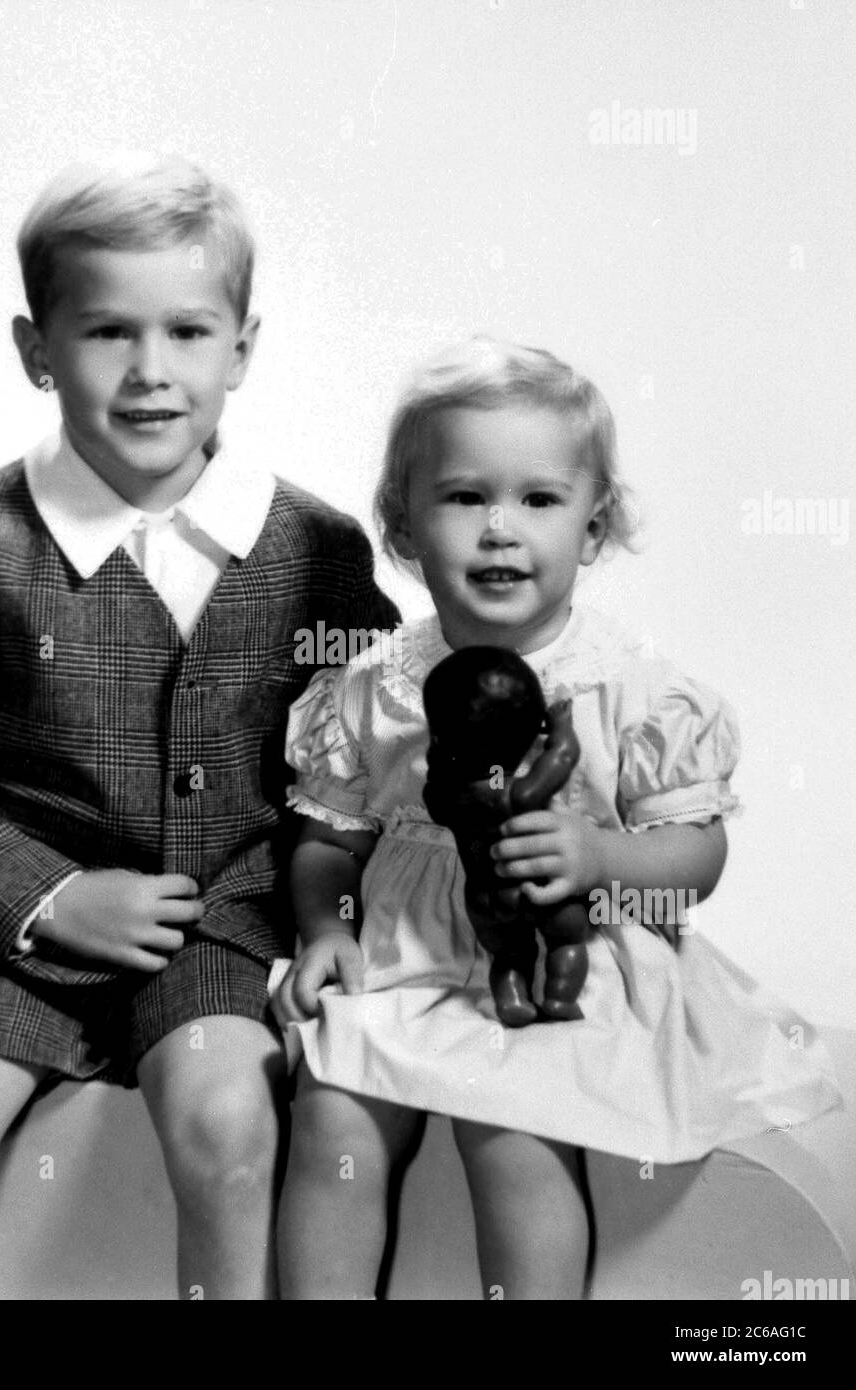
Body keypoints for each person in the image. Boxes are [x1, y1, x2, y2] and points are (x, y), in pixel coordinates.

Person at [0, 151, 398, 1301]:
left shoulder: (320, 549)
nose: (151, 372)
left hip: (222, 937)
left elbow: (373, 771)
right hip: (0, 947)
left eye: (189, 333)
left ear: (242, 347)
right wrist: (46, 898)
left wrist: (348, 918)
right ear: (35, 348)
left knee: (229, 1131)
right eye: (107, 333)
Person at [272, 337, 839, 1300]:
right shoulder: (373, 687)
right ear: (402, 527)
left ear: (592, 527)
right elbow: (331, 839)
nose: (500, 531)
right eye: (464, 497)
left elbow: (697, 854)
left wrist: (599, 852)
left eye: (537, 500)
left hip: (553, 966)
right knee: (332, 1116)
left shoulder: (626, 687)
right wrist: (329, 927)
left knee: (513, 1135)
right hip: (404, 952)